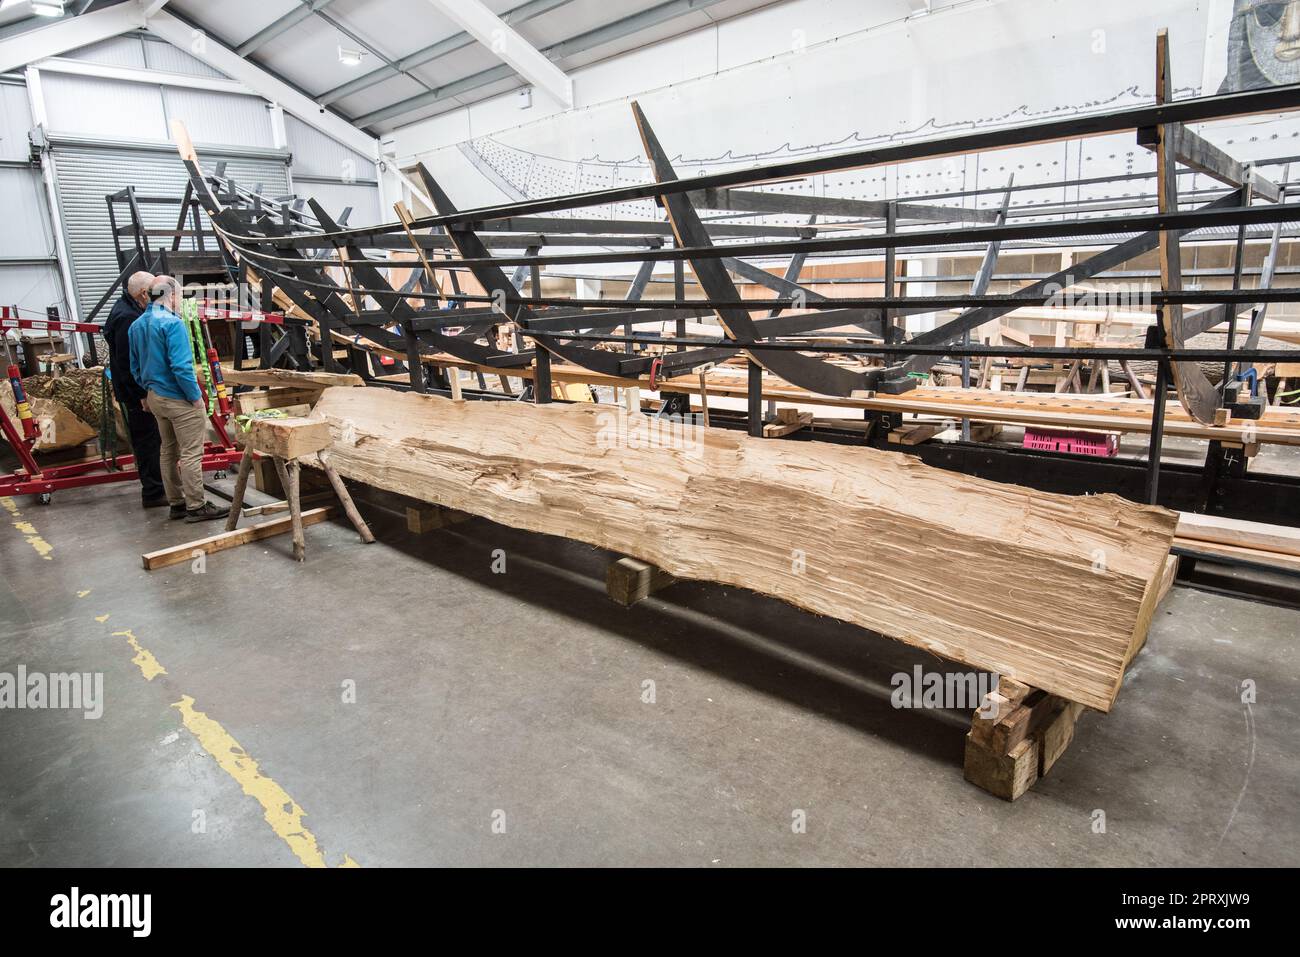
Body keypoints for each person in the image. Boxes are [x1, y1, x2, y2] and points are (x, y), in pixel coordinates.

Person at [128, 276, 229, 523]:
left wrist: (147, 390)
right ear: (170, 295)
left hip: (155, 397)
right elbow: (181, 367)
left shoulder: (136, 325)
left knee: (168, 451)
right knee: (191, 453)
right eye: (179, 296)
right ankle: (196, 506)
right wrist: (196, 398)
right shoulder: (173, 324)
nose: (180, 302)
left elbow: (134, 366)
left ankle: (177, 503)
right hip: (177, 398)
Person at [103, 270, 166, 508]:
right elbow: (128, 362)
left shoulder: (126, 308)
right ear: (142, 293)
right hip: (136, 394)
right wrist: (142, 396)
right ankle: (154, 492)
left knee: (150, 440)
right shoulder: (128, 317)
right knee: (148, 441)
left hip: (135, 390)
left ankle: (157, 487)